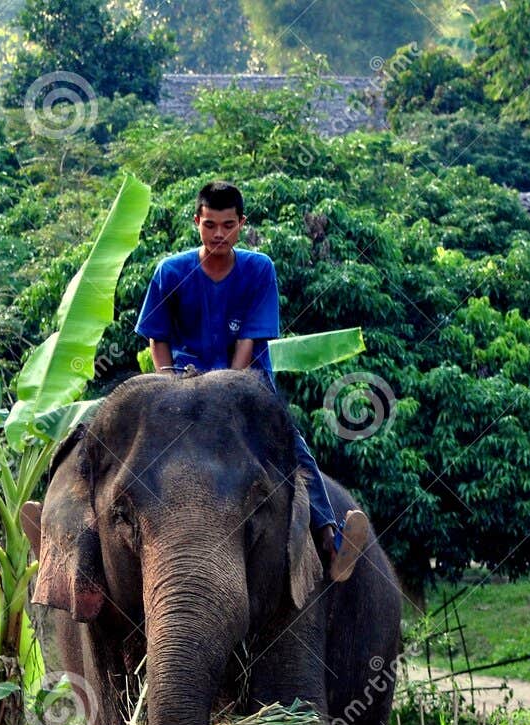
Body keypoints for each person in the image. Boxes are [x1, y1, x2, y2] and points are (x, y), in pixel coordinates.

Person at [135, 180, 369, 582]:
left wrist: (228, 388)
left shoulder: (259, 269)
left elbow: (249, 342)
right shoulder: (170, 271)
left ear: (242, 224)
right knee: (120, 444)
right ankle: (72, 541)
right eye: (210, 225)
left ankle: (331, 540)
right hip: (182, 385)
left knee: (295, 451)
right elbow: (159, 339)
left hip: (247, 387)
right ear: (196, 222)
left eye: (228, 225)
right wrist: (168, 386)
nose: (218, 234)